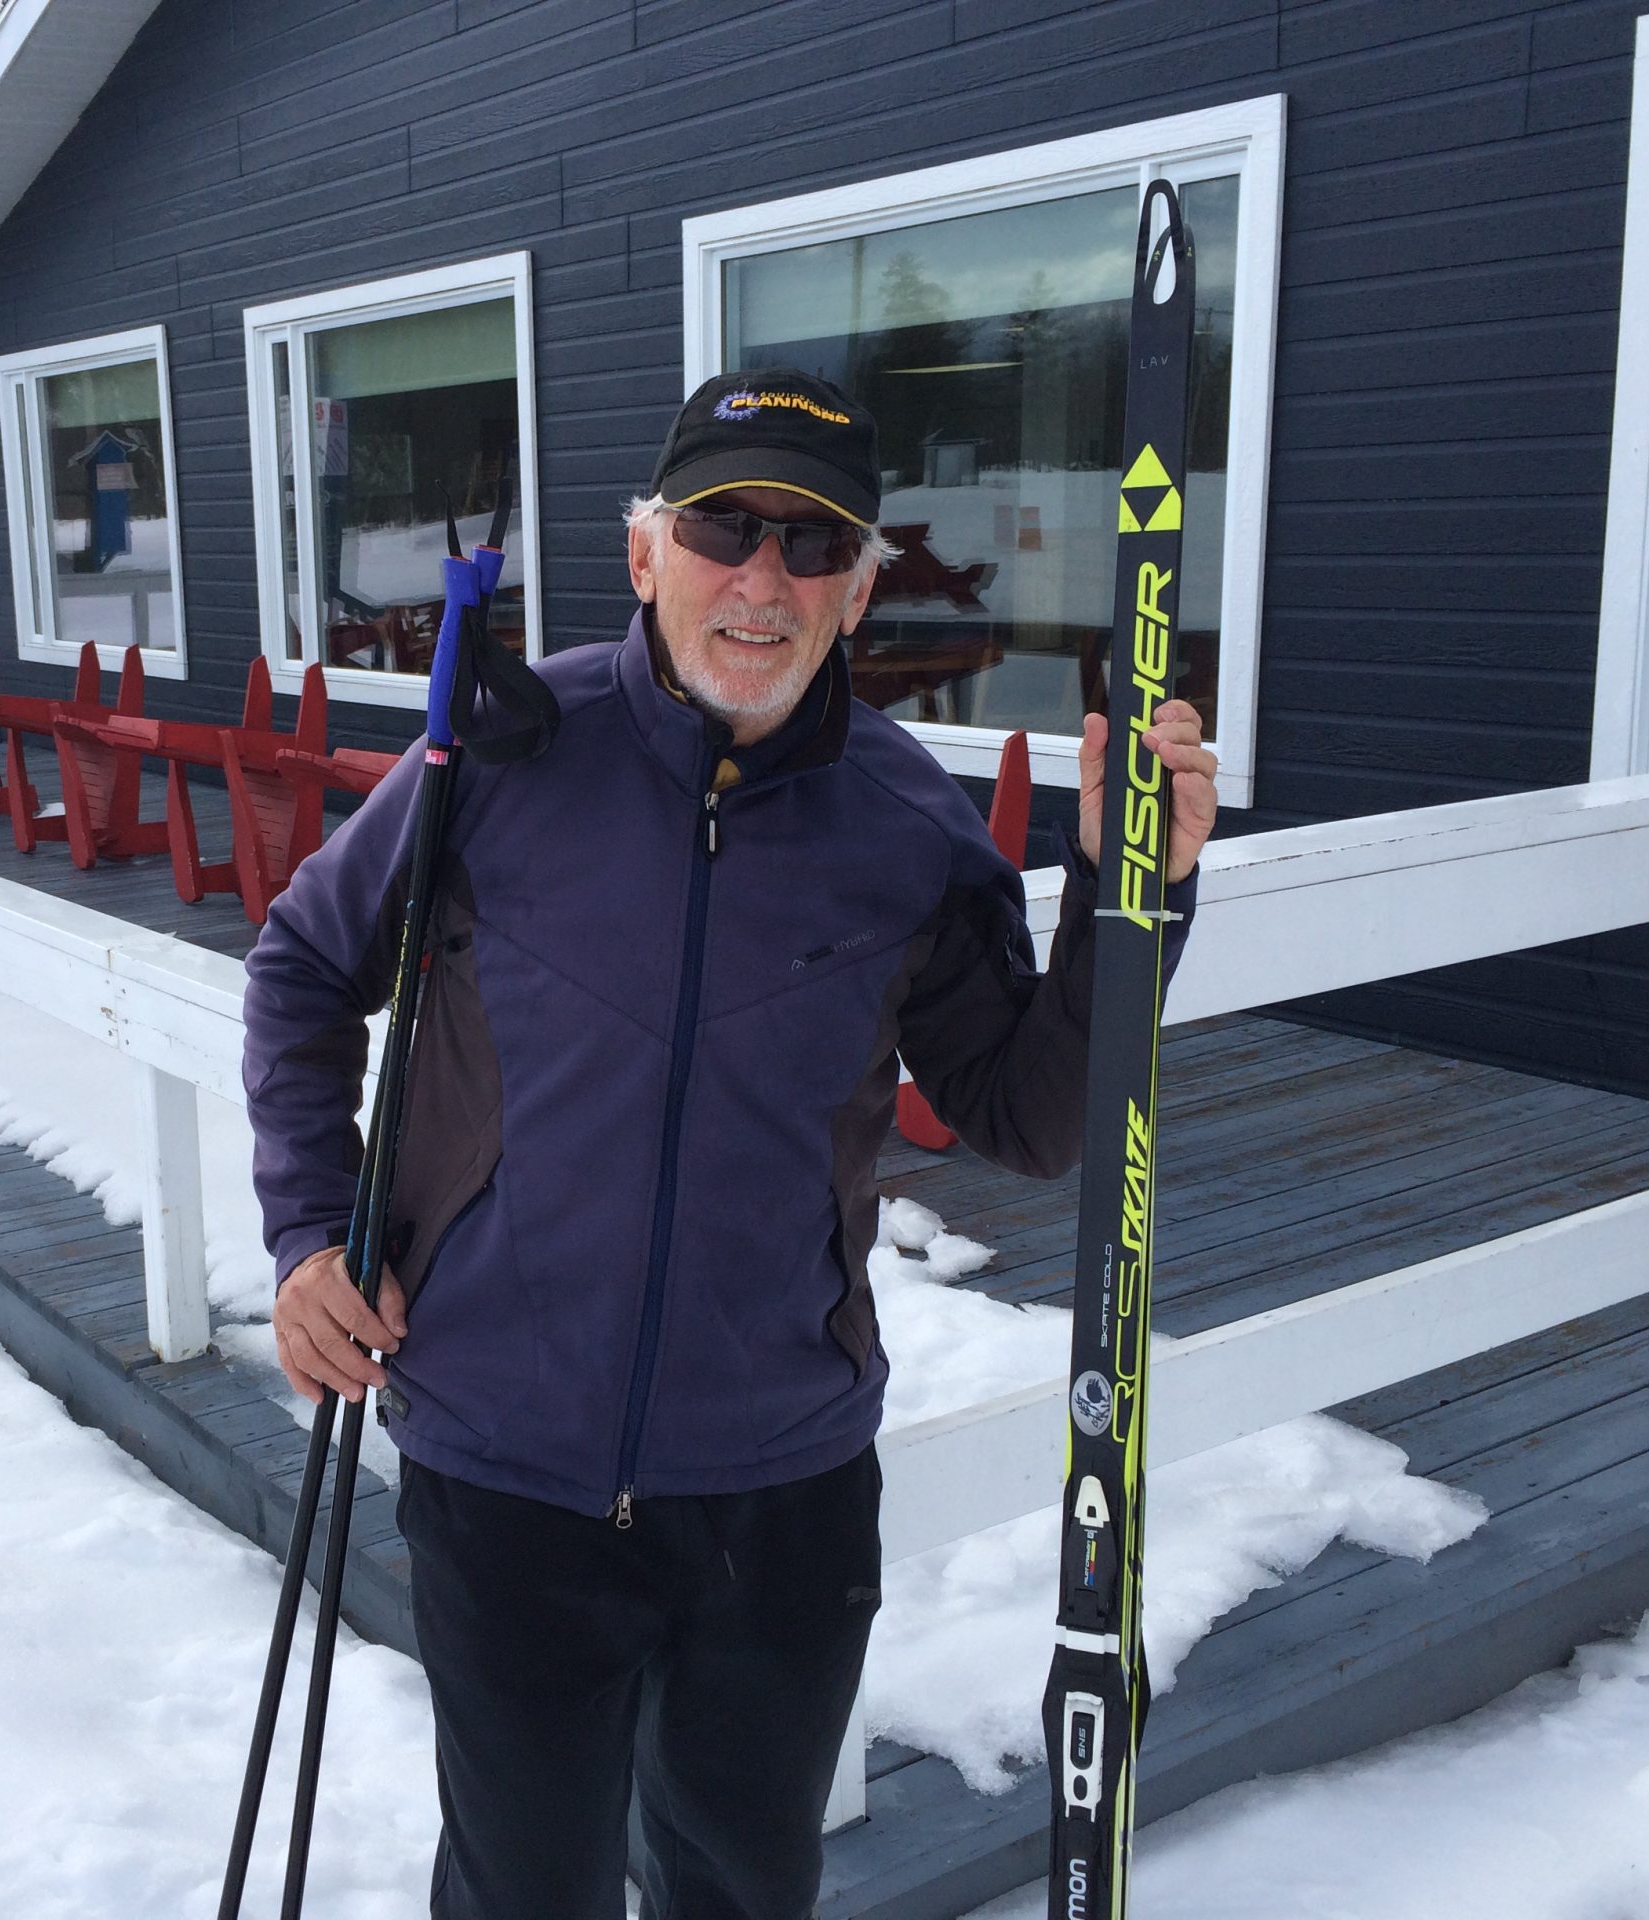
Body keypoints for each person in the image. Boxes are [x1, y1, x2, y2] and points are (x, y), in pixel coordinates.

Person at [240, 369, 1218, 1920]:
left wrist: (1127, 895)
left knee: (742, 1891)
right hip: (508, 1466)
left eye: (812, 544)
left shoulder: (907, 828)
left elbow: (1030, 1115)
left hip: (781, 1485)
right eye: (723, 527)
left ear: (856, 595)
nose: (762, 578)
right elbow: (301, 966)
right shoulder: (501, 758)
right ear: (647, 555)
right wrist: (307, 1233)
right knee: (521, 1897)